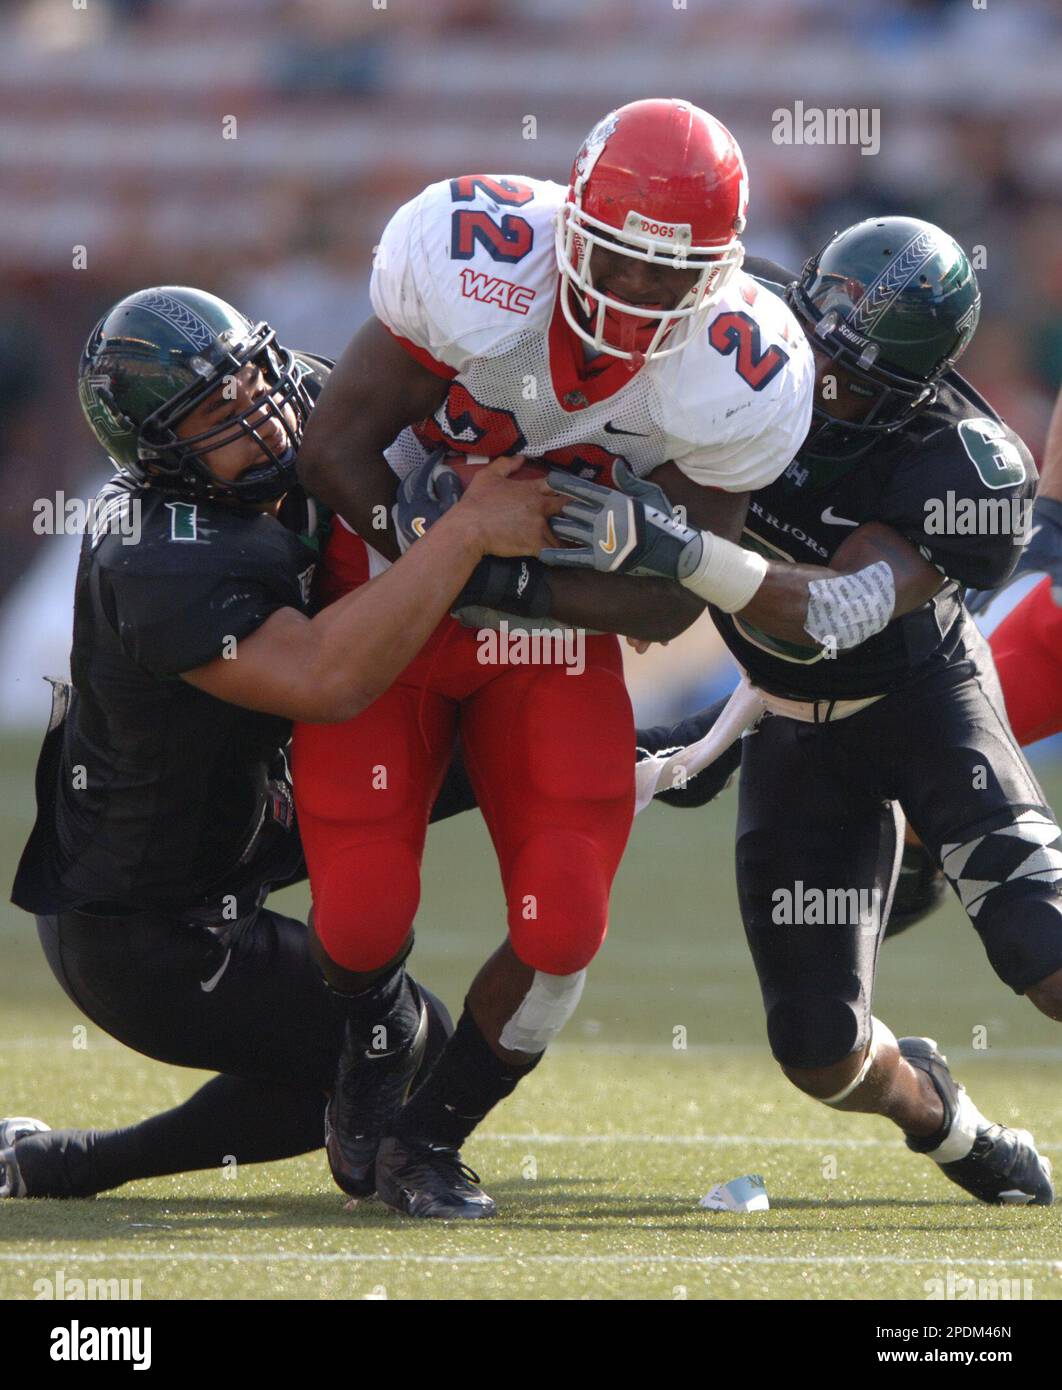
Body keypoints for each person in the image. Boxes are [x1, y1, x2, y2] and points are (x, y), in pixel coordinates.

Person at [292, 97, 815, 1218]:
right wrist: (436, 554)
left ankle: (428, 1140)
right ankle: (376, 1038)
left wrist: (496, 574)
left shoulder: (742, 367)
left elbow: (660, 603)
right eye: (620, 263)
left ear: (721, 273)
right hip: (388, 597)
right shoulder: (474, 259)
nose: (637, 298)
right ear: (572, 224)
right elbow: (334, 447)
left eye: (672, 278)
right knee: (358, 918)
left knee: (565, 919)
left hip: (548, 630)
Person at [3, 285, 562, 1201]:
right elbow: (328, 681)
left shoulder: (292, 402)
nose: (262, 413)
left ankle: (661, 749)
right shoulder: (158, 552)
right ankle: (75, 1165)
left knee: (455, 781)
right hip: (147, 916)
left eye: (255, 380)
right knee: (394, 1042)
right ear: (162, 455)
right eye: (217, 414)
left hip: (249, 809)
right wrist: (463, 532)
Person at [546, 218, 1055, 1205]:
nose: (823, 388)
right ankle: (952, 1124)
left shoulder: (967, 467)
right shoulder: (742, 335)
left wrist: (678, 550)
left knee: (1046, 950)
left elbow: (833, 613)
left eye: (859, 384)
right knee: (818, 1046)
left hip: (921, 702)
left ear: (920, 389)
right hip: (791, 719)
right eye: (821, 354)